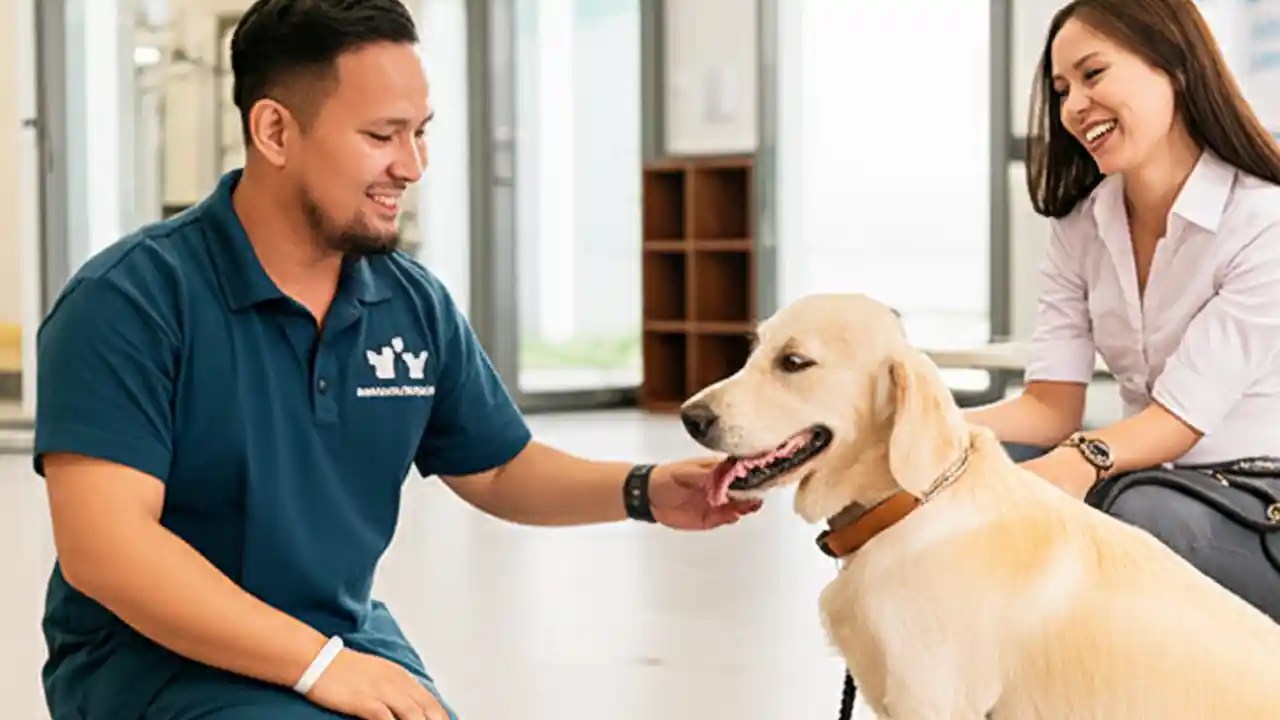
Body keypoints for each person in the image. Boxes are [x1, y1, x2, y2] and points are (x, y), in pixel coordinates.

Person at [32, 2, 761, 719]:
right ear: (275, 130)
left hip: (339, 635)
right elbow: (108, 548)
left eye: (420, 133)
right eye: (383, 135)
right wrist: (319, 666)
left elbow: (499, 467)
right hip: (156, 662)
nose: (411, 166)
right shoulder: (128, 301)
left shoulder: (409, 303)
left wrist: (647, 490)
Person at [964, 0, 1280, 618]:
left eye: (1093, 74)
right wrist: (929, 434)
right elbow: (1049, 409)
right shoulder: (1080, 228)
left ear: (1175, 67)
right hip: (1150, 478)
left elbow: (1179, 420)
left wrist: (1081, 460)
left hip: (1255, 500)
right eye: (1061, 89)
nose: (1074, 105)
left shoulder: (1262, 221)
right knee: (963, 474)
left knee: (1127, 517)